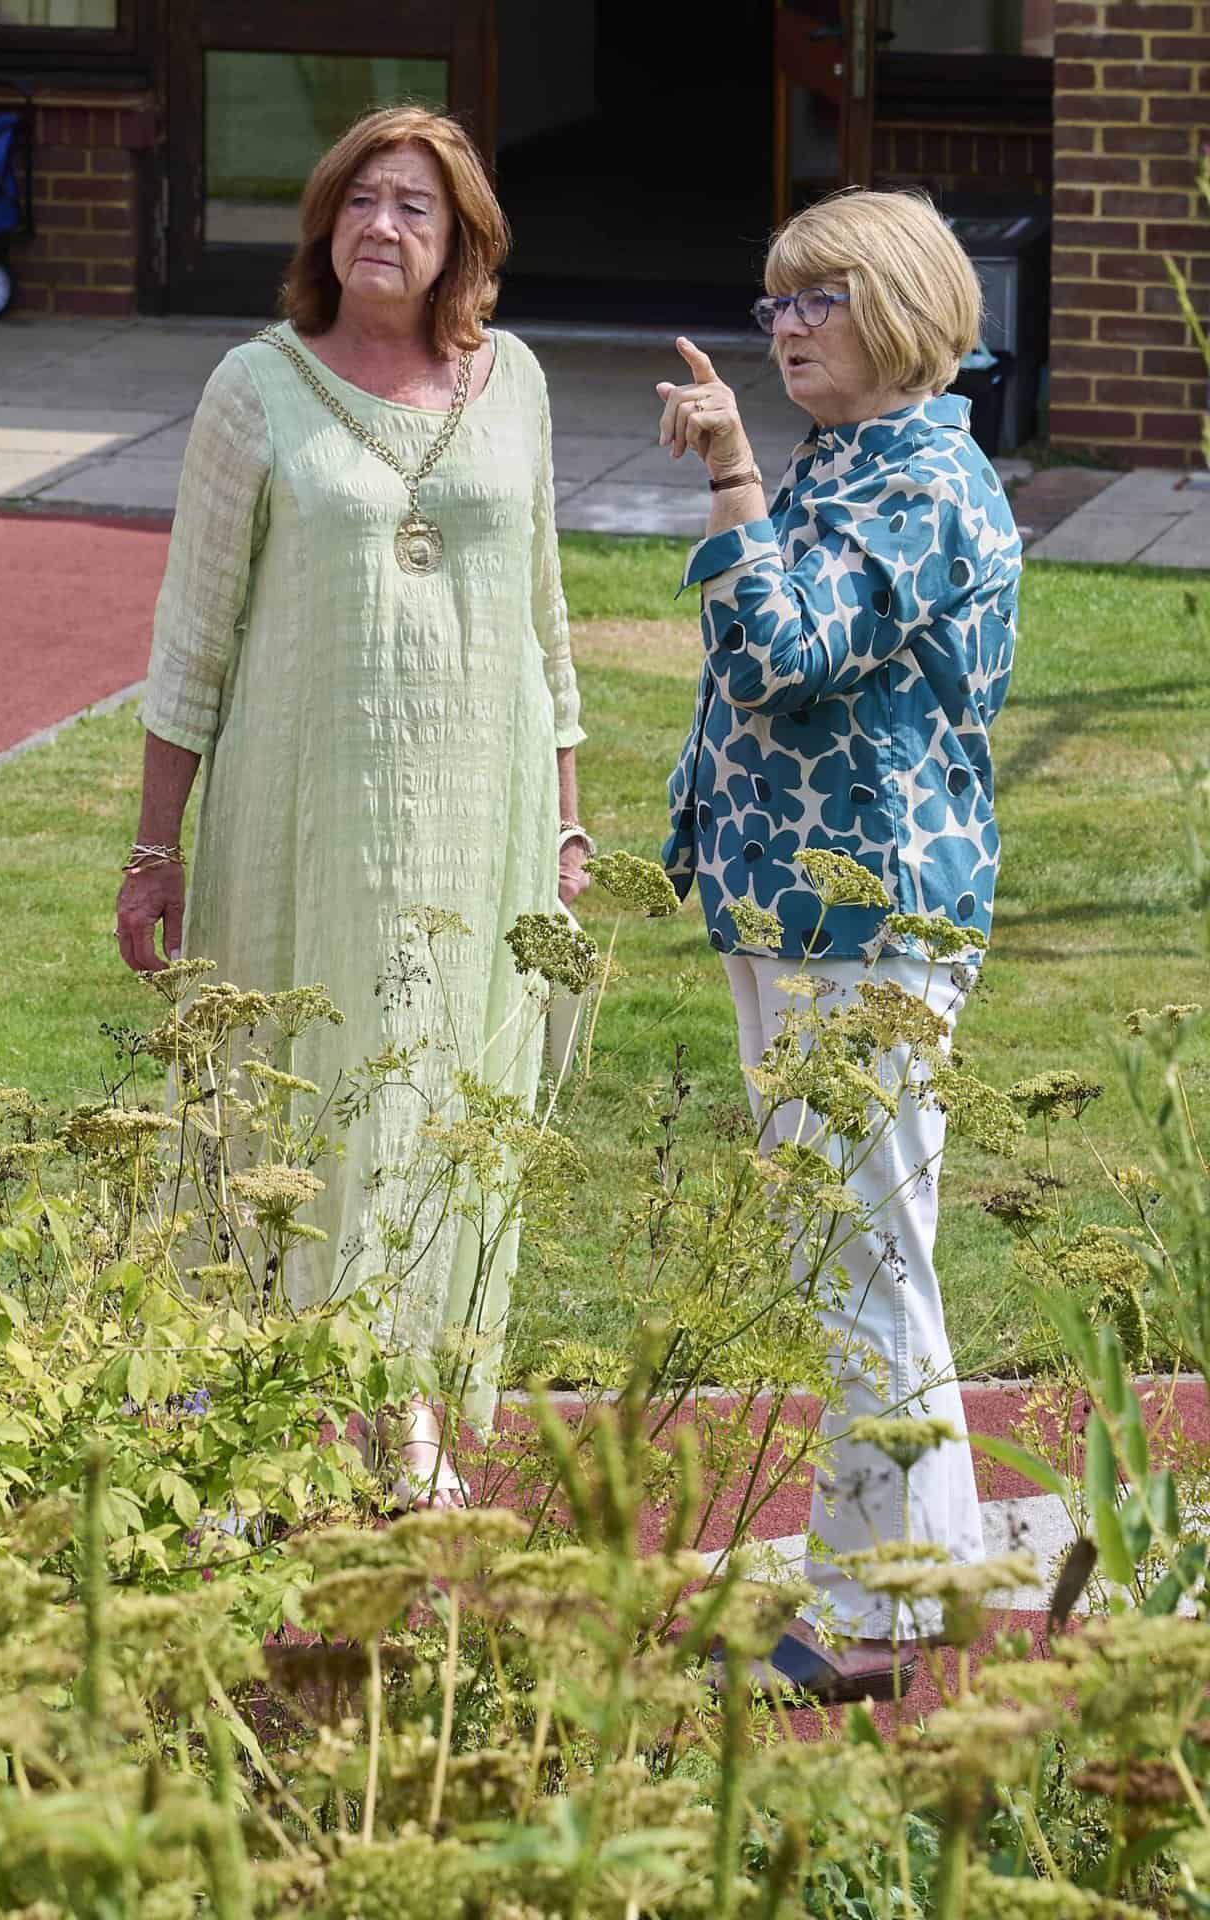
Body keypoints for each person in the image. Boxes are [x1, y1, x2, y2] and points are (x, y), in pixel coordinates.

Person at [119, 107, 589, 1507]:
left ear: (462, 246)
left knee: (444, 1088)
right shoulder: (253, 388)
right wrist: (156, 848)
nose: (382, 227)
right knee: (298, 1086)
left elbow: (548, 626)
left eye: (417, 209)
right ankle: (254, 1399)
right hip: (302, 814)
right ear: (324, 225)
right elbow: (193, 635)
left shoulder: (516, 386)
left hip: (478, 811)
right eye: (361, 202)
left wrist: (566, 823)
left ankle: (411, 1410)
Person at [656, 189, 1020, 1701]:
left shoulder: (927, 480)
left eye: (819, 300)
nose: (788, 328)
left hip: (867, 920)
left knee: (868, 1263)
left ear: (904, 309)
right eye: (775, 305)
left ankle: (893, 1617)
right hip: (798, 909)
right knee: (848, 1259)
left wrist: (731, 473)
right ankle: (869, 1598)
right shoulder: (853, 459)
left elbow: (786, 649)